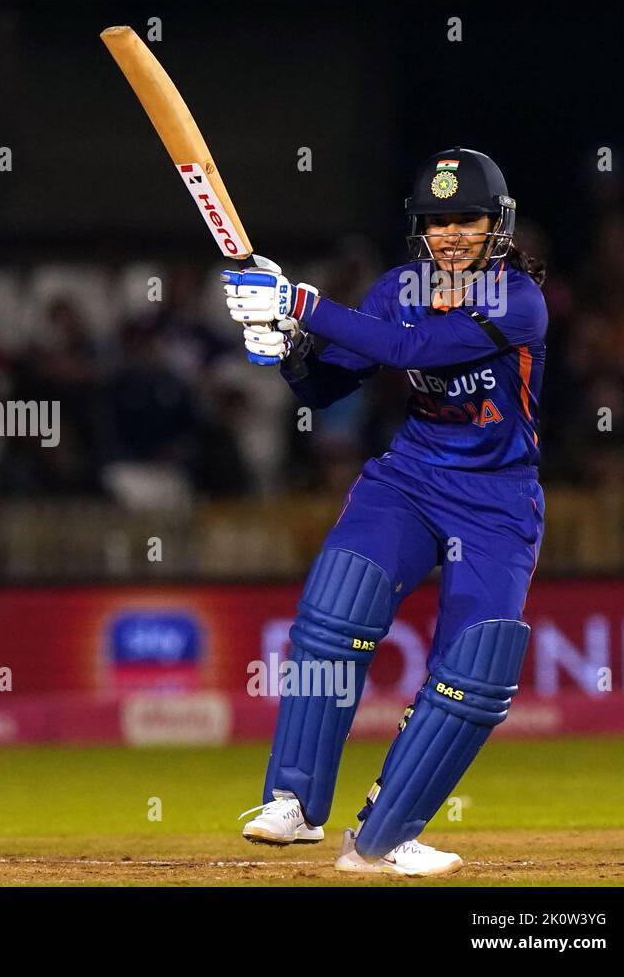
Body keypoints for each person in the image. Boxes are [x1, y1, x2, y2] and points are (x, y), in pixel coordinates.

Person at [226, 149, 546, 876]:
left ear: (498, 226)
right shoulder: (399, 287)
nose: (452, 234)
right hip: (408, 480)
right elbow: (329, 387)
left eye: (467, 218)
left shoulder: (518, 299)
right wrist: (290, 349)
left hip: (497, 500)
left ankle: (381, 837)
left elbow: (412, 347)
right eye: (438, 221)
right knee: (338, 606)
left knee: (478, 666)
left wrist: (299, 302)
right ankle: (295, 802)